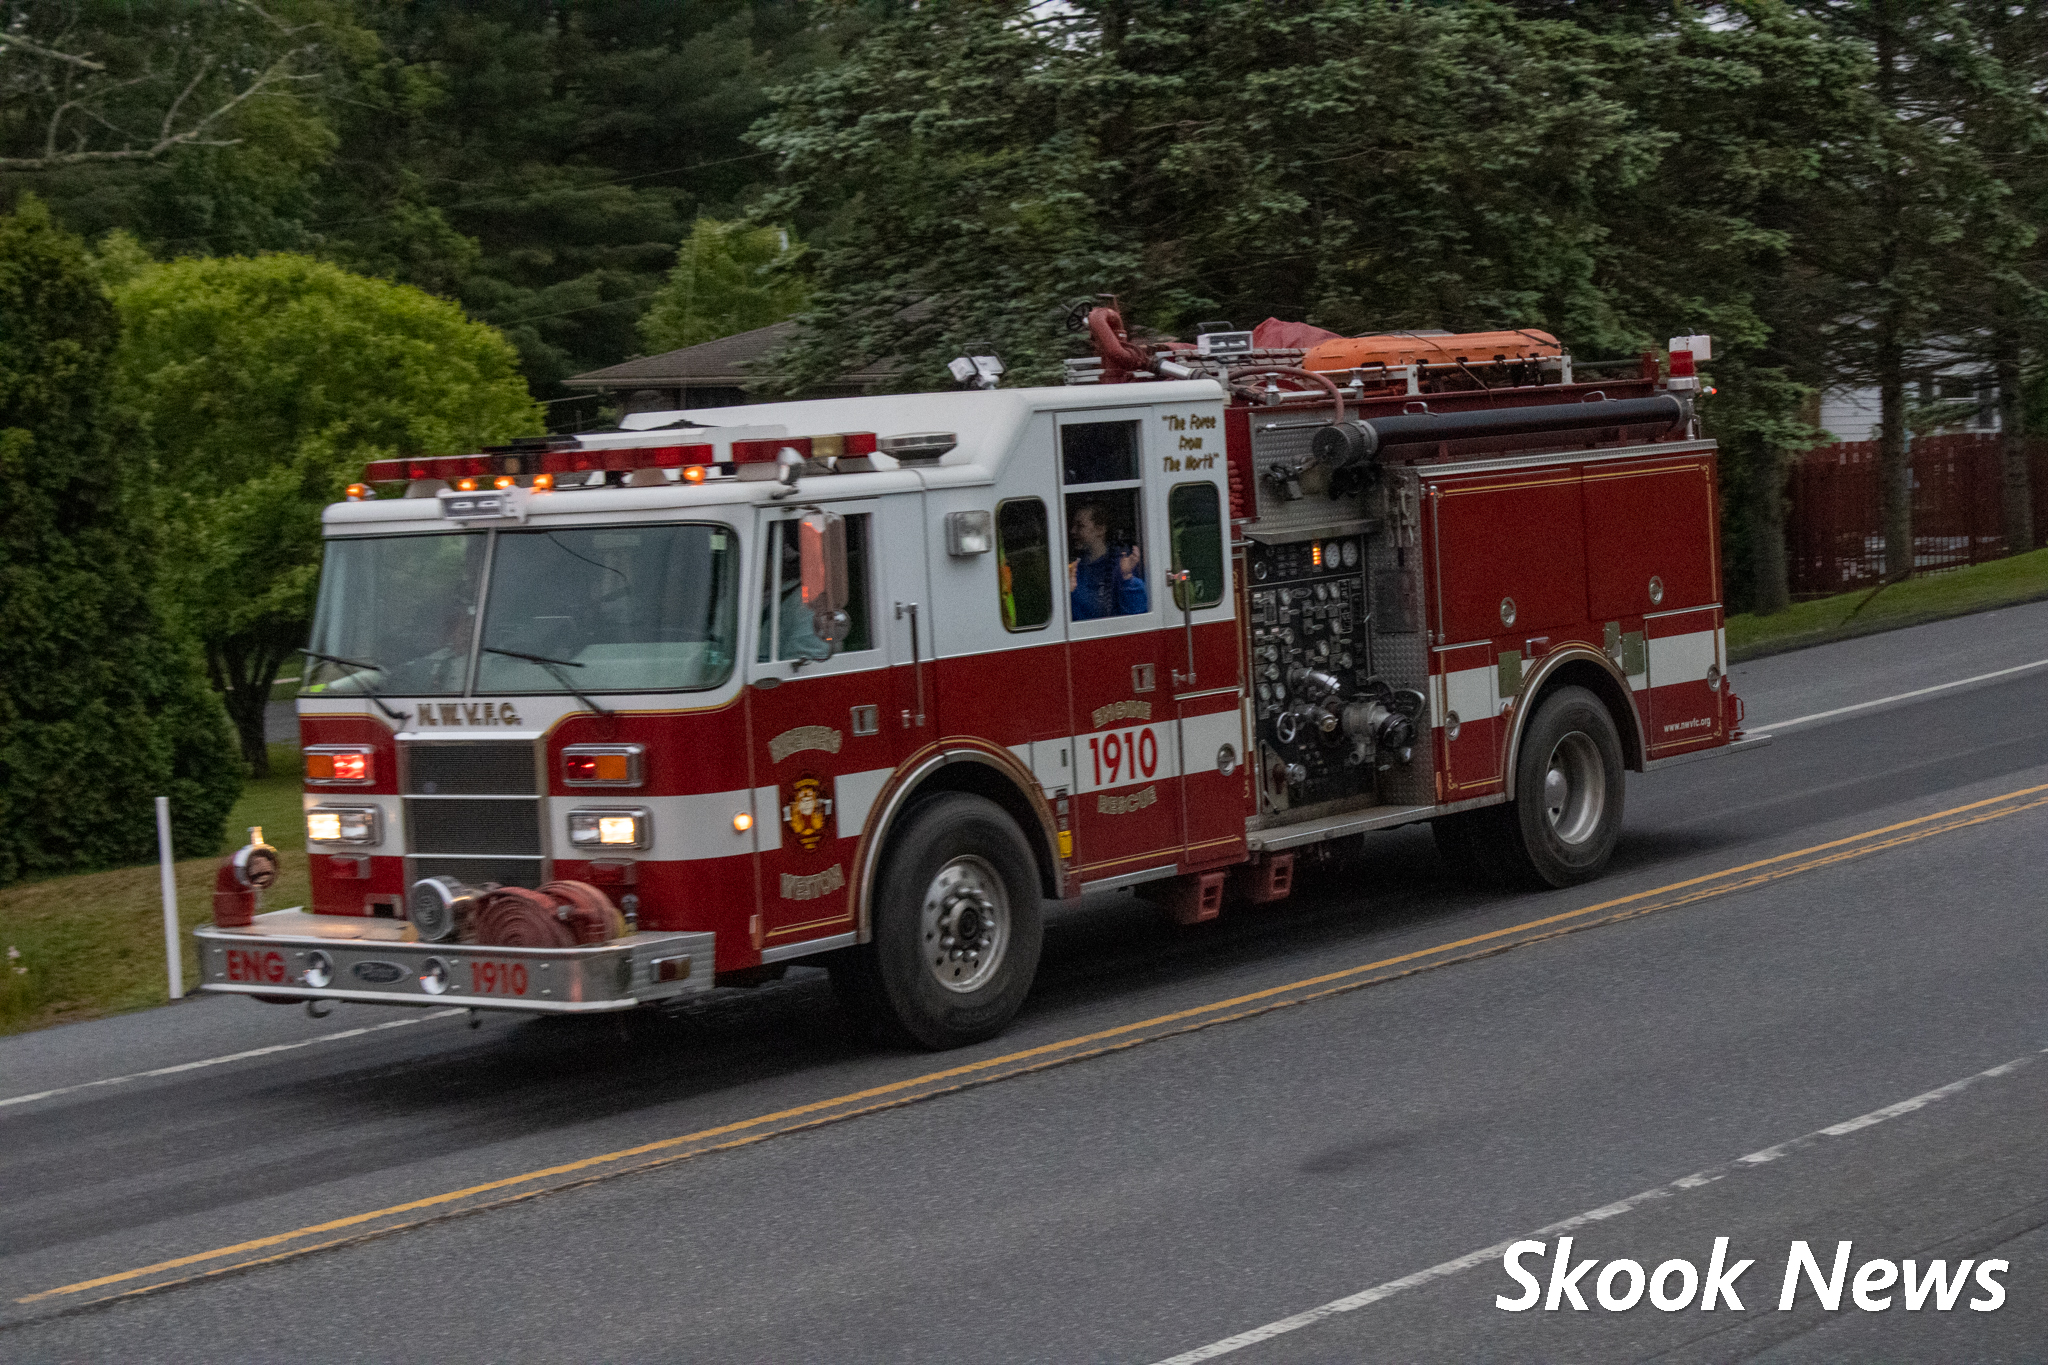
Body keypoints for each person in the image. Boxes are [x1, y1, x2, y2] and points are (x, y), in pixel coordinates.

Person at [1068, 500, 1147, 619]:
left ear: (1100, 529)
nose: (1072, 531)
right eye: (1073, 526)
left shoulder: (1121, 564)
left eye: (1080, 526)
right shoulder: (1074, 567)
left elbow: (1137, 615)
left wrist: (1127, 577)